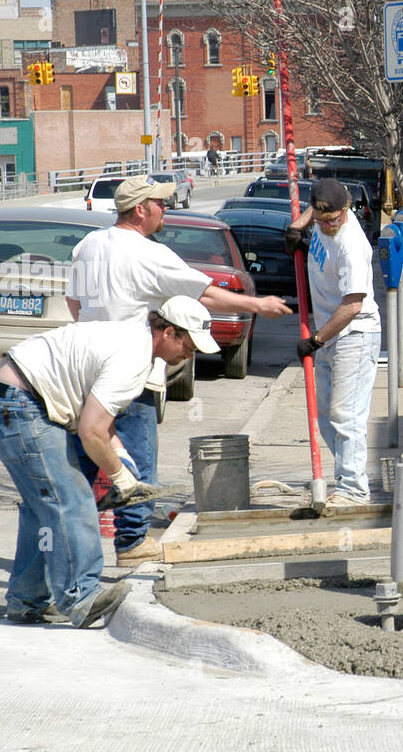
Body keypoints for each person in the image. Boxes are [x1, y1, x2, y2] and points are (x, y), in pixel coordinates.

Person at [66, 174, 291, 564]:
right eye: (160, 204)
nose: (166, 210)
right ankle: (132, 541)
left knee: (85, 456)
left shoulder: (89, 245)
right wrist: (259, 305)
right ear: (141, 210)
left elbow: (73, 303)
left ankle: (72, 549)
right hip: (129, 368)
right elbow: (202, 292)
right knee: (135, 456)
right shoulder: (146, 252)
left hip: (86, 366)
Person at [0, 297, 216, 628]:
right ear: (169, 332)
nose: (190, 355)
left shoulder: (131, 340)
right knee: (71, 501)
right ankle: (81, 598)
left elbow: (102, 421)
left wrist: (123, 459)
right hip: (20, 402)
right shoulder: (133, 359)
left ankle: (27, 601)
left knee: (44, 506)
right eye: (189, 345)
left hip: (12, 396)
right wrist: (120, 476)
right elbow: (90, 432)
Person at [284, 178, 380, 507]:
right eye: (322, 219)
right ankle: (345, 479)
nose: (327, 224)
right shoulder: (323, 214)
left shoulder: (351, 245)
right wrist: (299, 226)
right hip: (329, 333)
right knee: (326, 413)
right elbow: (316, 206)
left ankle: (354, 489)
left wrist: (315, 341)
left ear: (346, 210)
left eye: (333, 219)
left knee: (346, 415)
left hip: (354, 332)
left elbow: (353, 305)